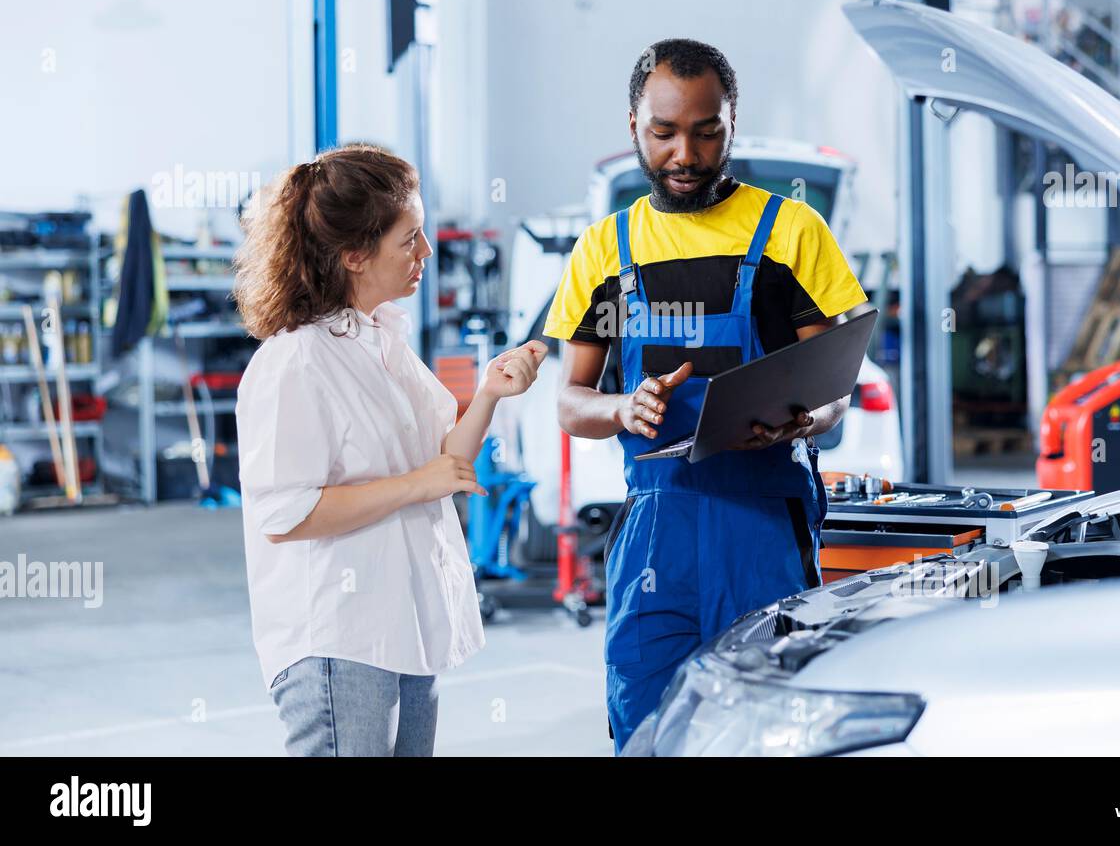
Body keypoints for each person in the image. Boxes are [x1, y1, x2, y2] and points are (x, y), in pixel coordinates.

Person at [543, 39, 869, 750]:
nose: (684, 155)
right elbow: (571, 402)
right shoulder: (605, 250)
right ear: (633, 126)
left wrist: (806, 419)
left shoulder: (790, 232)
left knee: (769, 726)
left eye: (705, 131)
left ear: (730, 125)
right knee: (646, 723)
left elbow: (835, 389)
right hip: (657, 528)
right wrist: (622, 408)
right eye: (663, 133)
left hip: (763, 532)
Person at [232, 143, 545, 756]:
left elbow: (443, 463)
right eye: (410, 240)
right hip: (340, 638)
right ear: (354, 255)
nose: (426, 253)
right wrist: (418, 484)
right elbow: (284, 513)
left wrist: (487, 396)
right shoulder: (295, 362)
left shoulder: (383, 342)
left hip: (407, 624)